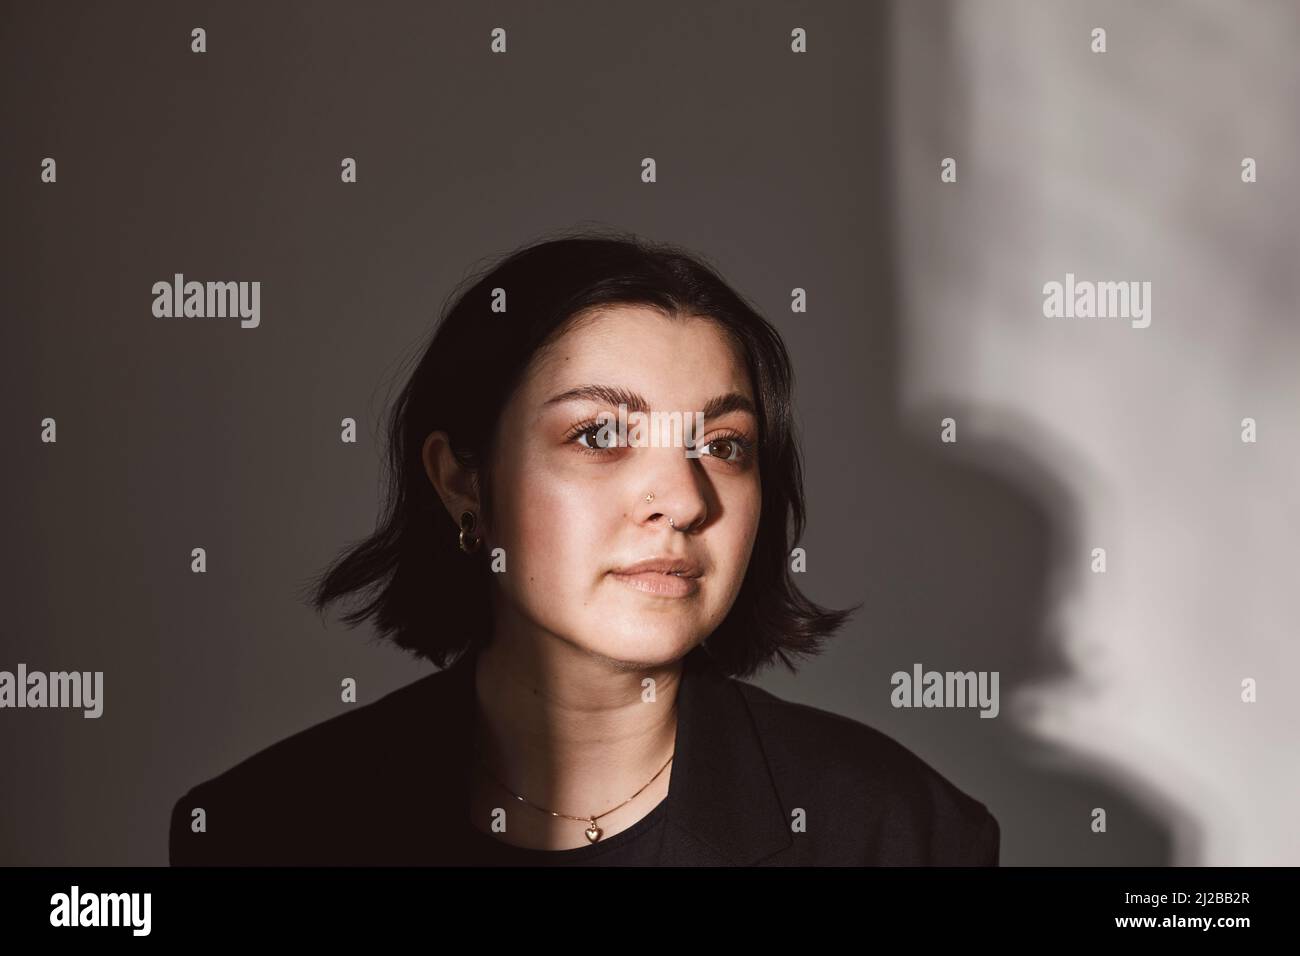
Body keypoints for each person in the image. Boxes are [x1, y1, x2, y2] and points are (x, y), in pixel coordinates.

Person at [168, 228, 1000, 866]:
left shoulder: (896, 835)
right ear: (463, 484)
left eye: (724, 445)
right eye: (600, 433)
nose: (682, 498)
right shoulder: (263, 831)